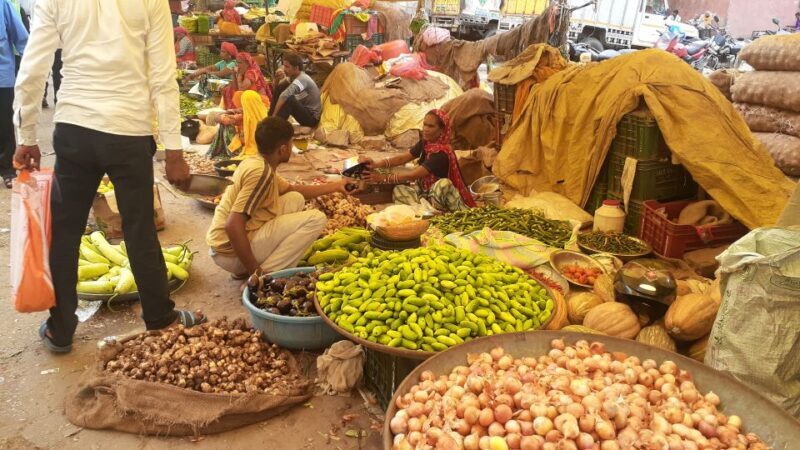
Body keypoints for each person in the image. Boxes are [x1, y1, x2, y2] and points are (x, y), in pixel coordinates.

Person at [14, 0, 203, 354]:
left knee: (66, 233)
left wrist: (26, 136)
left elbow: (33, 67)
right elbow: (163, 76)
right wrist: (174, 150)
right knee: (140, 228)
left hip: (75, 129)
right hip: (129, 131)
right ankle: (160, 318)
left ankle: (61, 328)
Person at [206, 116, 353, 279]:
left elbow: (294, 189)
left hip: (228, 247)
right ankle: (267, 276)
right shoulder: (260, 173)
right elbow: (232, 225)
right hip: (228, 253)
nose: (292, 147)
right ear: (282, 149)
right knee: (316, 218)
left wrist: (337, 185)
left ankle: (245, 269)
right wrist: (255, 273)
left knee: (294, 198)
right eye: (291, 143)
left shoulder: (257, 162)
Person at [360, 109, 476, 212]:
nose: (425, 129)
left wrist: (383, 178)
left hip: (441, 196)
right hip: (425, 193)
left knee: (443, 184)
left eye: (431, 126)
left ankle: (434, 212)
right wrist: (376, 164)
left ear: (442, 130)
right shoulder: (426, 143)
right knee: (399, 190)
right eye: (424, 125)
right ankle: (424, 209)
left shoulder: (441, 153)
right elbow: (402, 158)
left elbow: (412, 175)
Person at [1, 0, 27, 189]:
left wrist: (31, 71)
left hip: (2, 78)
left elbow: (22, 38)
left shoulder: (3, 5)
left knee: (3, 126)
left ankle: (7, 170)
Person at [270, 52, 321, 127]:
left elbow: (284, 95)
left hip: (311, 118)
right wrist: (277, 78)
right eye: (284, 66)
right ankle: (271, 119)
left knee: (289, 98)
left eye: (287, 67)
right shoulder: (292, 77)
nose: (284, 69)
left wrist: (274, 116)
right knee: (281, 87)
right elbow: (277, 89)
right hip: (303, 111)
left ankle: (275, 123)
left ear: (296, 68)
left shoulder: (303, 79)